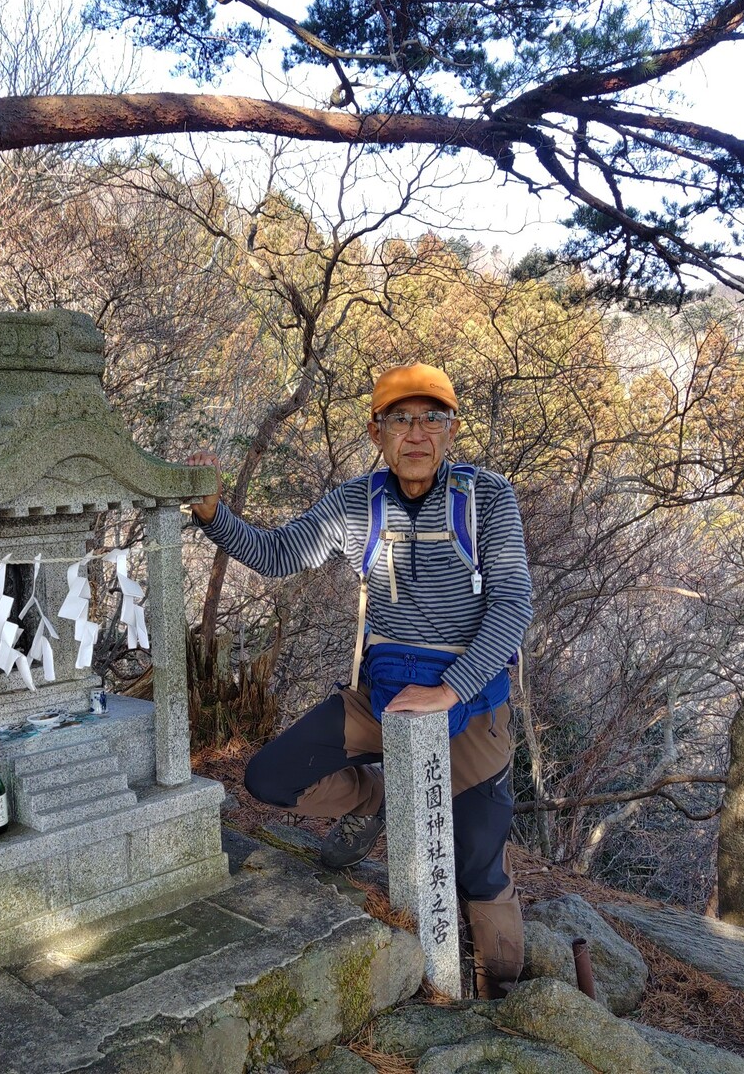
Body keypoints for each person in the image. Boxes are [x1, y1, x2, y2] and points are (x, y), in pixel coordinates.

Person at [188, 363, 533, 997]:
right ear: (377, 433)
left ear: (453, 430)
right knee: (270, 776)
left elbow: (512, 604)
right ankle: (381, 796)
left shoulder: (487, 499)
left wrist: (450, 689)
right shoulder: (357, 503)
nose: (418, 433)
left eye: (433, 417)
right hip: (383, 697)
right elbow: (281, 554)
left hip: (470, 704)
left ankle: (502, 995)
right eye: (400, 419)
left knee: (480, 867)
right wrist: (215, 516)